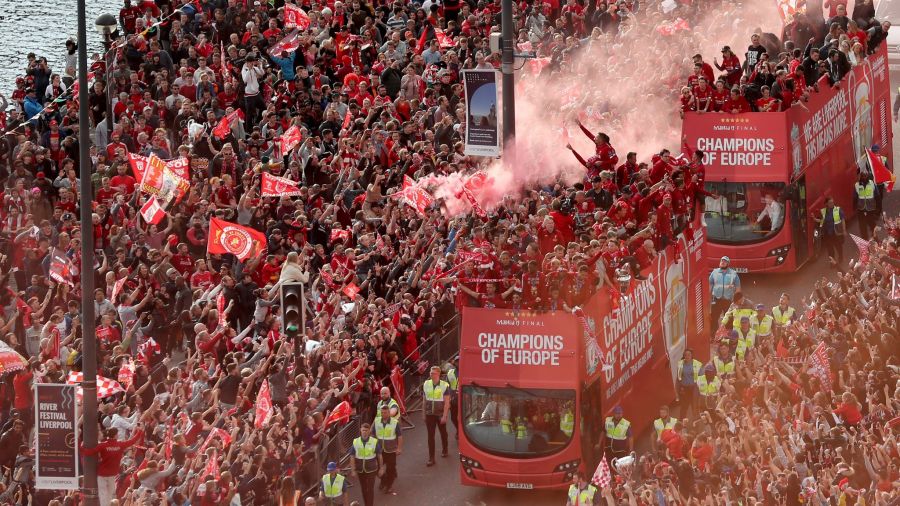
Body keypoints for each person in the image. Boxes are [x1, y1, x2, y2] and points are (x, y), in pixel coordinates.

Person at [80, 428, 144, 506]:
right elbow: (133, 441)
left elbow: (88, 452)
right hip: (112, 475)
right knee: (111, 497)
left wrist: (77, 444)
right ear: (115, 435)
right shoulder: (120, 445)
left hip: (102, 474)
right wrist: (140, 431)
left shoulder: (103, 445)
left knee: (103, 496)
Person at [422, 365, 450, 466]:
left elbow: (447, 402)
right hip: (430, 414)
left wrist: (445, 416)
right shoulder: (426, 384)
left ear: (438, 374)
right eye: (430, 372)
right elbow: (424, 400)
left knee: (443, 433)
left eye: (433, 373)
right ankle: (431, 458)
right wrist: (423, 413)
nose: (431, 374)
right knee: (430, 436)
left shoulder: (444, 385)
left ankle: (445, 449)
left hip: (440, 414)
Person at [349, 423, 382, 506]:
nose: (364, 432)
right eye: (363, 430)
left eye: (366, 430)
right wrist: (353, 470)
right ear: (360, 430)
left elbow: (379, 456)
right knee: (364, 489)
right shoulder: (356, 442)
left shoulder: (374, 442)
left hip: (371, 469)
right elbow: (352, 456)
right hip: (360, 470)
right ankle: (366, 504)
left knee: (370, 489)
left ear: (369, 431)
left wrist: (381, 468)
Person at [373, 405, 402, 495]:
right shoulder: (377, 421)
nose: (383, 414)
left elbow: (400, 436)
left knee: (391, 469)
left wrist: (399, 448)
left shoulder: (394, 422)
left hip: (391, 450)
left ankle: (389, 486)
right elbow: (373, 434)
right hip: (379, 450)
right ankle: (384, 480)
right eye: (382, 412)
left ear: (389, 413)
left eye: (385, 412)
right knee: (377, 469)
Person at [709, 256, 740, 333]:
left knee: (729, 319)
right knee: (713, 318)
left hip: (728, 300)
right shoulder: (714, 272)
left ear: (728, 264)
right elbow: (710, 286)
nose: (722, 262)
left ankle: (728, 335)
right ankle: (714, 335)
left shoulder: (733, 274)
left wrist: (737, 301)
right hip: (716, 299)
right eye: (721, 261)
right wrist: (708, 299)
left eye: (725, 261)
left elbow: (738, 288)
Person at [814, 196, 846, 266]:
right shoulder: (823, 211)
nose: (832, 204)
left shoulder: (838, 209)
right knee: (830, 249)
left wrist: (844, 230)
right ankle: (832, 262)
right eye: (830, 203)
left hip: (836, 232)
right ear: (826, 204)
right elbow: (822, 221)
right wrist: (815, 219)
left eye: (833, 202)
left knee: (838, 246)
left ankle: (841, 257)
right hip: (827, 233)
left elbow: (843, 219)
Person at [675, 350, 702, 420]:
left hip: (694, 388)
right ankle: (681, 423)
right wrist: (676, 392)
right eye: (685, 355)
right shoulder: (680, 364)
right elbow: (678, 379)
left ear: (692, 355)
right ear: (684, 356)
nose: (687, 356)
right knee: (684, 406)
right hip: (684, 388)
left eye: (689, 354)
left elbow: (702, 377)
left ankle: (696, 421)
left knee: (695, 405)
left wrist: (701, 390)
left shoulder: (698, 364)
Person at [854, 171, 877, 240]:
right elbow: (855, 197)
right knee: (862, 226)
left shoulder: (872, 184)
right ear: (861, 177)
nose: (864, 177)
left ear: (867, 176)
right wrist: (855, 207)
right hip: (861, 209)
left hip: (870, 209)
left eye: (865, 176)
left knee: (872, 224)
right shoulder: (857, 185)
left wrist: (878, 207)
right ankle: (865, 240)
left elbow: (877, 195)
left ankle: (875, 237)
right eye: (863, 176)